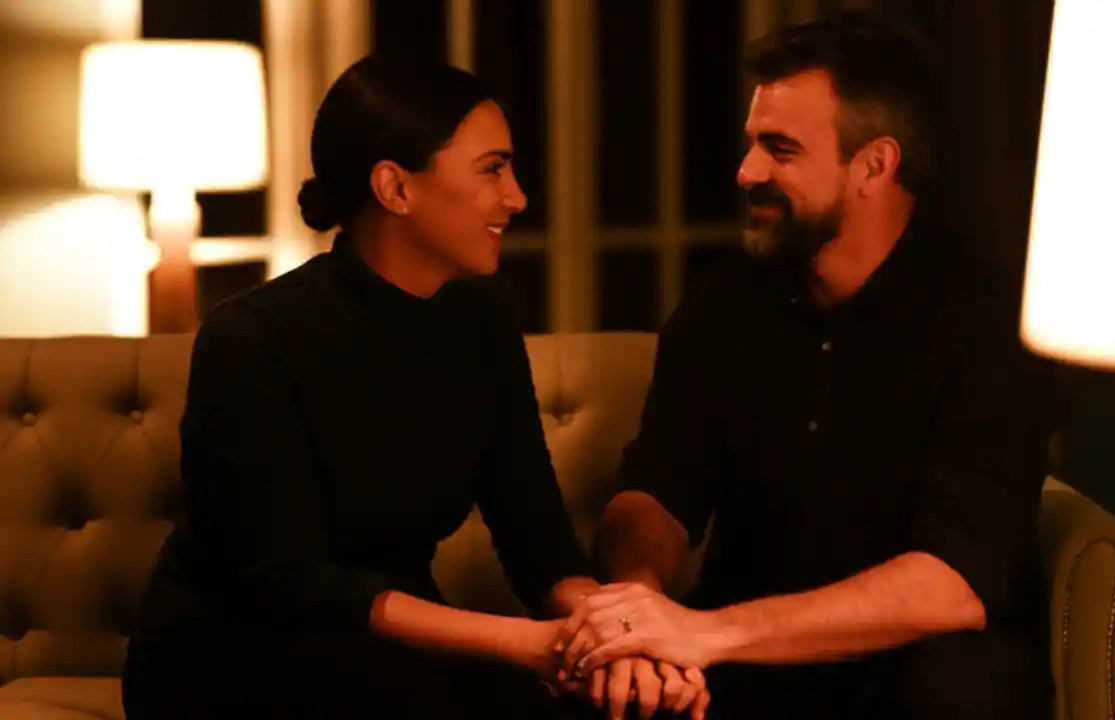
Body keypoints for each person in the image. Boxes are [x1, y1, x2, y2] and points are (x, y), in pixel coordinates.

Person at [122, 56, 706, 719]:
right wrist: (531, 644)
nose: (516, 197)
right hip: (230, 656)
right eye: (493, 169)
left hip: (390, 653)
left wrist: (627, 641)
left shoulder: (481, 326)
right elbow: (288, 585)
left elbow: (539, 546)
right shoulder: (252, 339)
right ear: (395, 187)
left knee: (620, 702)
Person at [557, 12, 1055, 719]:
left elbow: (952, 583)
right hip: (743, 664)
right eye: (751, 143)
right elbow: (656, 491)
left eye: (779, 149)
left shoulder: (986, 323)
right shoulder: (724, 303)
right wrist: (639, 606)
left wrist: (706, 632)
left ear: (874, 166)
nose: (746, 172)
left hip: (916, 662)